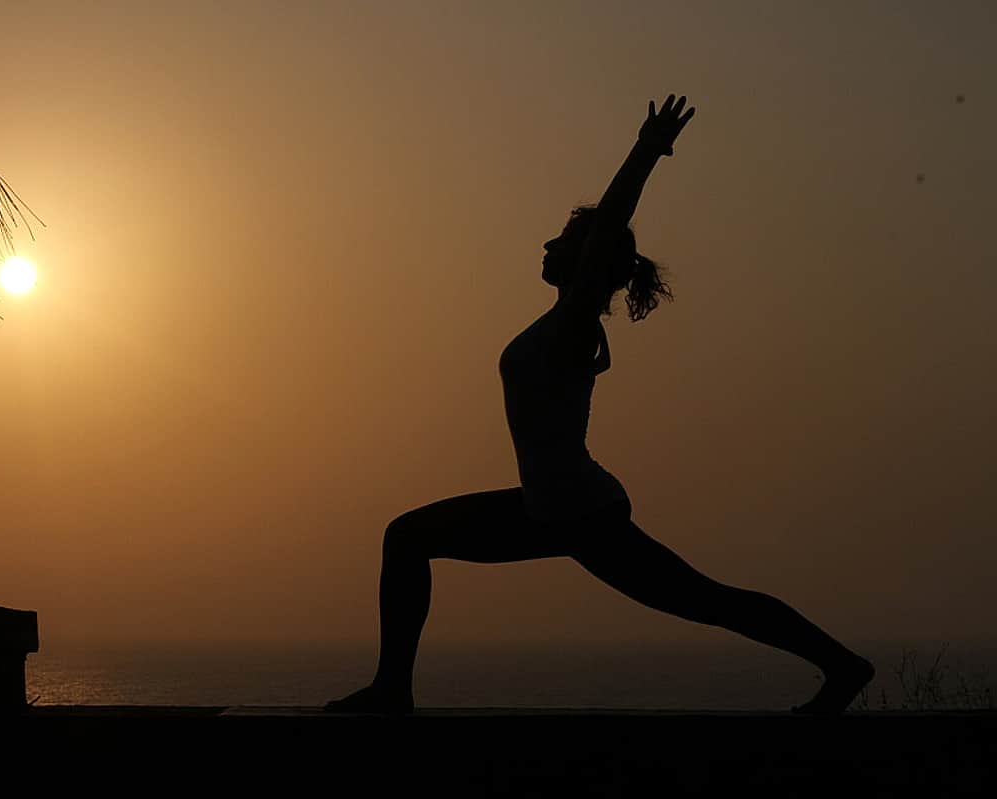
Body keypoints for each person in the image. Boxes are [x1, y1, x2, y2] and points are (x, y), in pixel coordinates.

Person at [324, 95, 874, 716]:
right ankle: (392, 689)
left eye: (562, 240)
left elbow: (610, 223)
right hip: (548, 507)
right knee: (406, 537)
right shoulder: (561, 322)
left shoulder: (573, 323)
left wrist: (646, 150)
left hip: (580, 512)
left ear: (588, 261)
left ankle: (843, 666)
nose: (546, 243)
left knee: (708, 601)